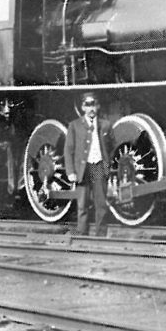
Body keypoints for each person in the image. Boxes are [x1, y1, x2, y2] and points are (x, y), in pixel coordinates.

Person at [64, 92, 115, 237]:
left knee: (101, 204)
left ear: (98, 106)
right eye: (88, 105)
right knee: (82, 204)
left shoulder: (105, 125)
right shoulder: (74, 126)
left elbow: (112, 146)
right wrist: (71, 171)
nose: (91, 108)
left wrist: (107, 164)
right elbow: (68, 150)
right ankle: (82, 234)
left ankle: (101, 235)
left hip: (98, 167)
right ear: (83, 107)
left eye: (93, 105)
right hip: (83, 169)